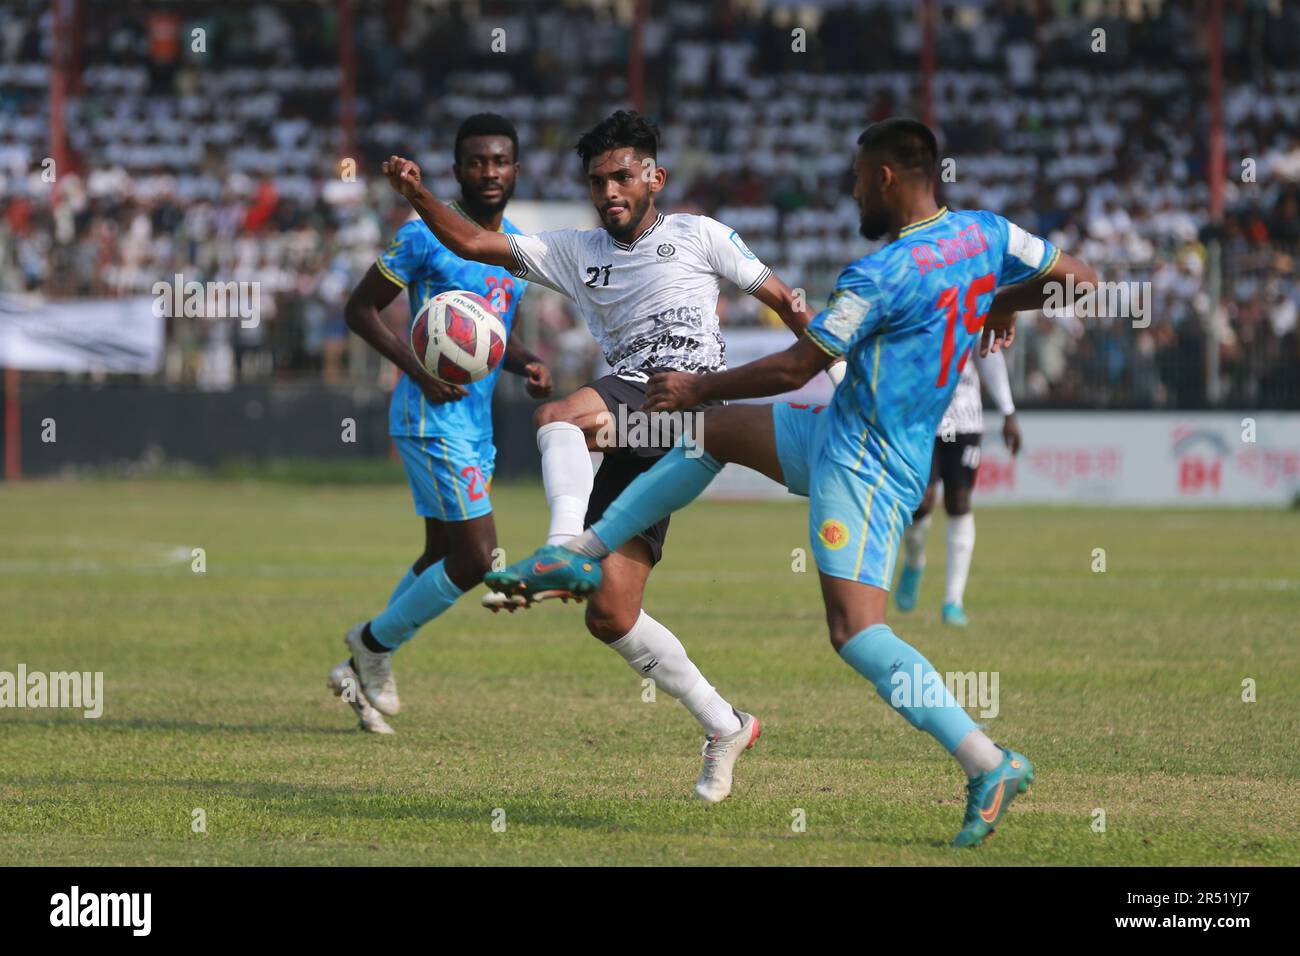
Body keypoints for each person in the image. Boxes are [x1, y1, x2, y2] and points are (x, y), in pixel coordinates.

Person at [485, 118, 1099, 846]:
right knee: (711, 433)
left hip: (866, 465)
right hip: (836, 431)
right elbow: (1084, 285)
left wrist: (695, 383)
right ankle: (581, 550)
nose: (849, 189)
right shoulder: (988, 235)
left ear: (885, 179)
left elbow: (793, 367)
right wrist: (999, 303)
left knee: (857, 634)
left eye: (855, 175)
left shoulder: (878, 275)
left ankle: (986, 760)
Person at [379, 110, 840, 798]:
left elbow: (785, 301)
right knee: (610, 616)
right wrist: (417, 195)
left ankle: (564, 545)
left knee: (559, 416)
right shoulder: (574, 250)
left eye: (623, 176)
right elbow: (476, 242)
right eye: (598, 181)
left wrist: (836, 374)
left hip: (685, 402)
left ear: (654, 176)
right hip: (641, 422)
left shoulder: (700, 235)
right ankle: (726, 723)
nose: (610, 191)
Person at [328, 113, 552, 734]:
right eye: (476, 162)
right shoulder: (425, 234)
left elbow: (484, 341)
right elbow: (359, 308)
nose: (489, 172)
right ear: (457, 171)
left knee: (440, 552)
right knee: (479, 557)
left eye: (500, 161)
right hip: (429, 417)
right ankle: (371, 645)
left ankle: (360, 666)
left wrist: (529, 362)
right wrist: (418, 372)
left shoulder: (516, 253)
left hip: (475, 425)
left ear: (515, 170)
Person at [895, 347, 1022, 626]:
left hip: (965, 422)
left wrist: (1008, 411)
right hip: (921, 419)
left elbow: (989, 356)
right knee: (922, 499)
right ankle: (915, 561)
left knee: (960, 502)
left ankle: (953, 601)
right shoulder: (919, 305)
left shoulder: (972, 305)